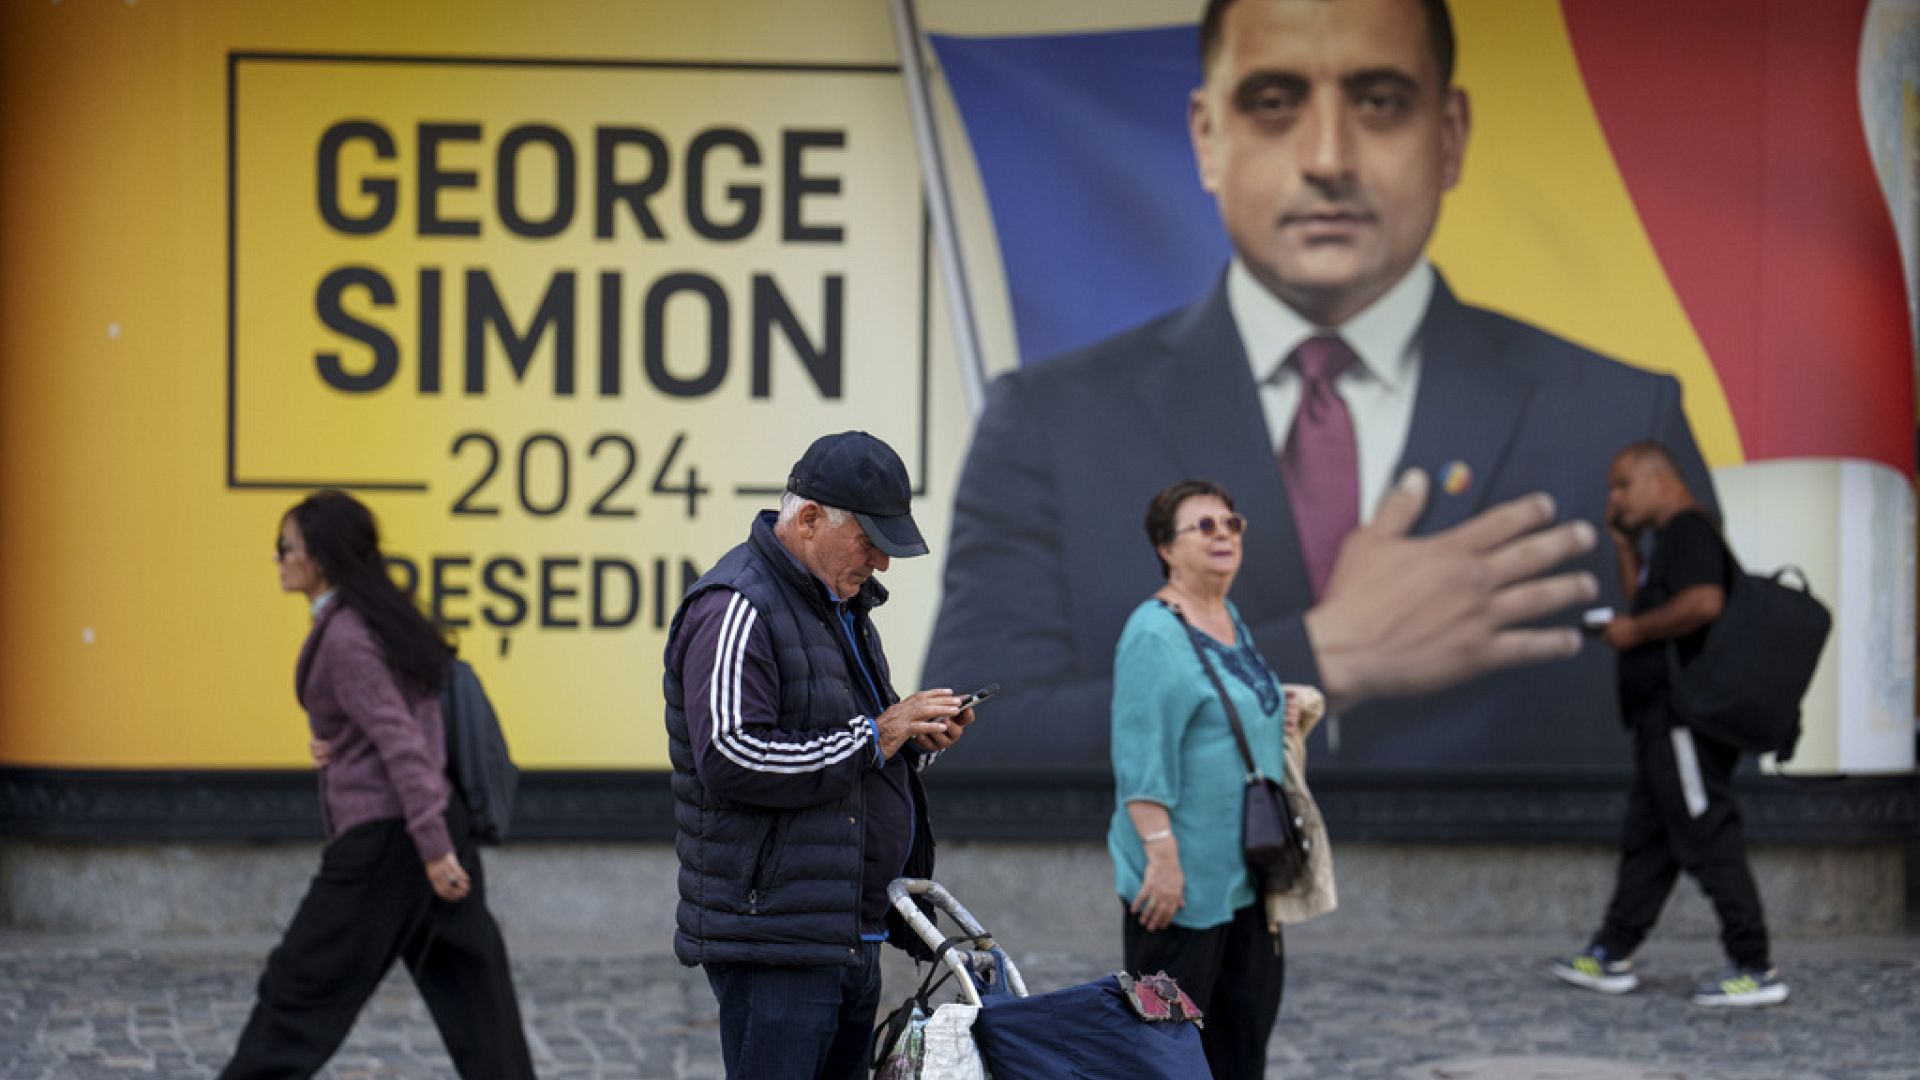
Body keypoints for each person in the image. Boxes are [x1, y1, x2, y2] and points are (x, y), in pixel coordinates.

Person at [923, 0, 1717, 777]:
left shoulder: (1620, 421)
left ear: (1449, 137)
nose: (1329, 156)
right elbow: (968, 749)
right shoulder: (1049, 426)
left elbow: (1722, 746)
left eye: (1379, 102)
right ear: (1207, 138)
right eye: (1274, 103)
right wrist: (1326, 655)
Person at [661, 431, 976, 1080]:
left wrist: (911, 742)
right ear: (808, 520)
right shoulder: (736, 606)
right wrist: (878, 735)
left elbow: (853, 746)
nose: (881, 564)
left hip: (844, 927)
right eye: (870, 542)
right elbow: (731, 755)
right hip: (774, 937)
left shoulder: (841, 605)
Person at [220, 491, 536, 1079]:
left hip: (395, 840)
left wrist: (434, 848)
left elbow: (402, 744)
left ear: (319, 557)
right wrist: (337, 744)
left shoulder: (347, 636)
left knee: (299, 987)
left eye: (284, 547)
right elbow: (402, 721)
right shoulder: (377, 618)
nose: (277, 559)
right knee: (475, 1001)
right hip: (429, 829)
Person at [1551, 442, 1786, 1007]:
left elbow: (1703, 603)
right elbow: (1643, 599)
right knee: (1650, 841)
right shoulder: (1663, 541)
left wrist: (1634, 633)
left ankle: (1754, 965)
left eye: (1624, 484)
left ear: (1660, 479)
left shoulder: (1688, 531)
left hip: (1687, 721)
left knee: (1708, 833)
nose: (1616, 498)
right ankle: (1612, 952)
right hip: (1662, 720)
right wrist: (1624, 544)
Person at [1112, 479, 1303, 1078]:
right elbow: (1139, 758)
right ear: (1167, 548)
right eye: (1205, 526)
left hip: (1244, 874)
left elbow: (1224, 711)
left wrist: (1279, 707)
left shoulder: (1225, 614)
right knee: (1168, 1052)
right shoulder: (1154, 632)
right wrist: (1162, 859)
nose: (1224, 534)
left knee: (1243, 1043)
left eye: (1231, 522)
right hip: (1180, 890)